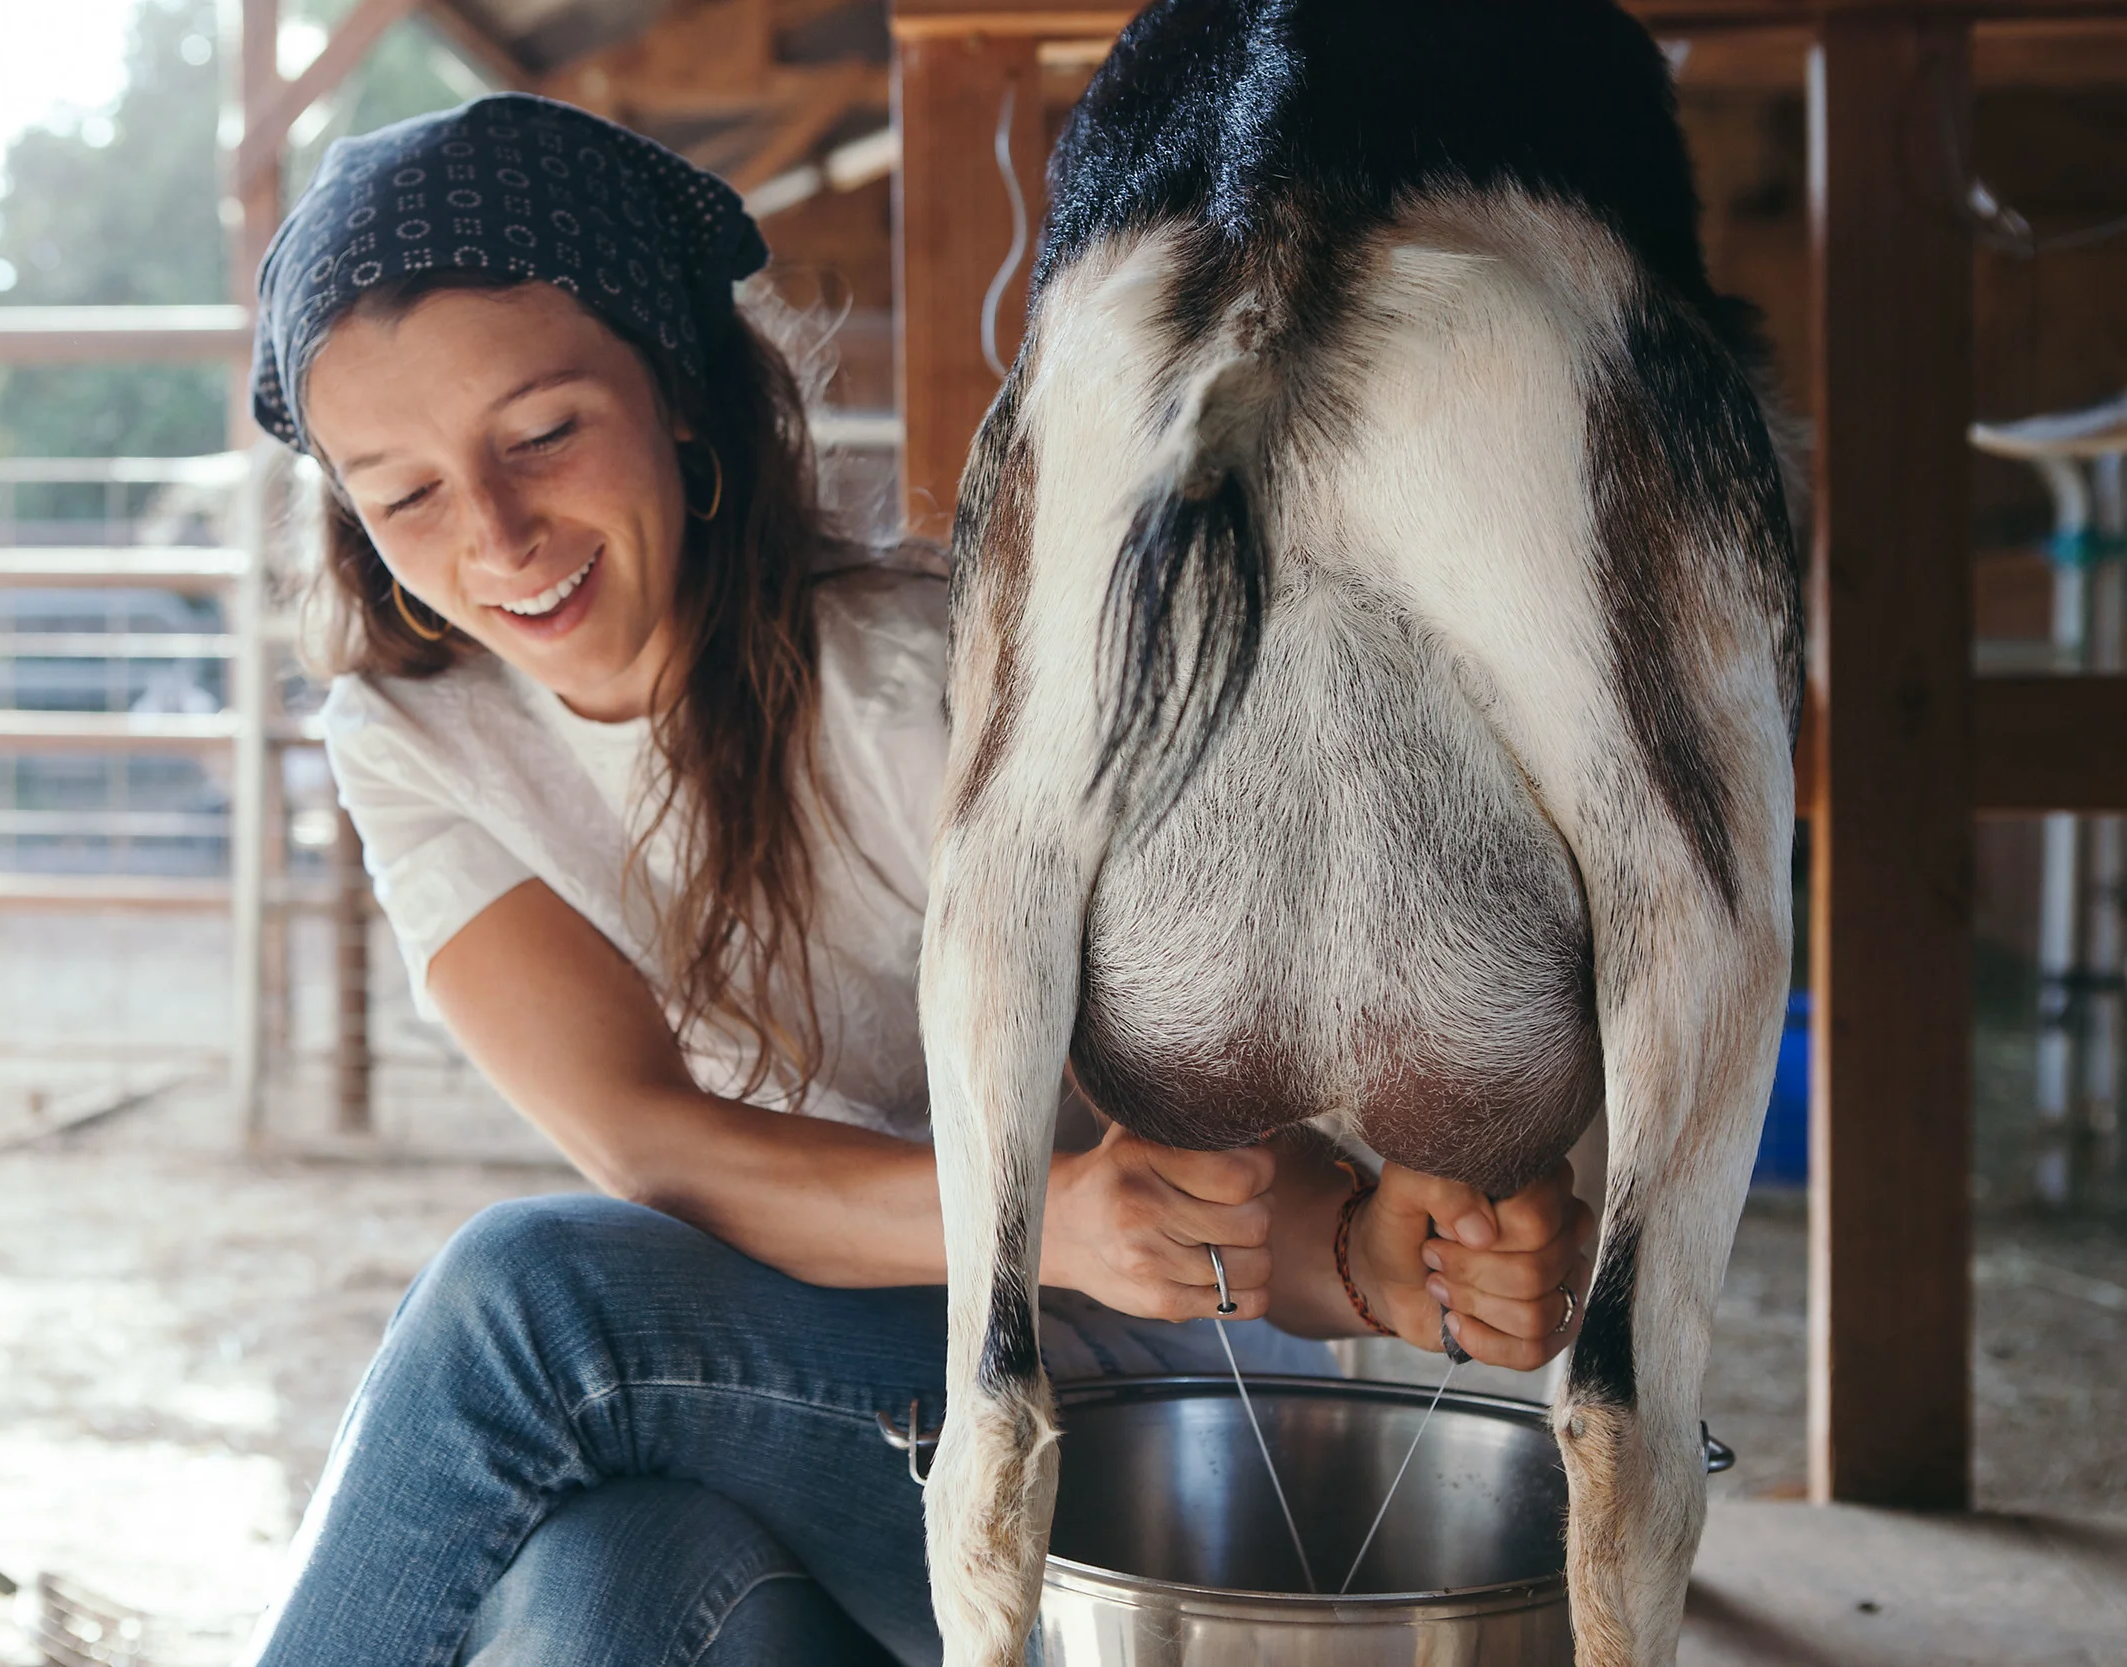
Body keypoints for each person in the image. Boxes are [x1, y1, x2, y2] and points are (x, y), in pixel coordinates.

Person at [236, 95, 1595, 1667]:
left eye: (542, 433)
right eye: (402, 491)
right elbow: (649, 1141)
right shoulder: (420, 735)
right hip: (838, 1481)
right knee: (609, 1563)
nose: (494, 534)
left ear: (677, 394)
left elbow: (1207, 1168)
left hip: (1113, 1475)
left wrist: (1394, 1261)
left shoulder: (929, 694)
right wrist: (1036, 1215)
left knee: (528, 1304)